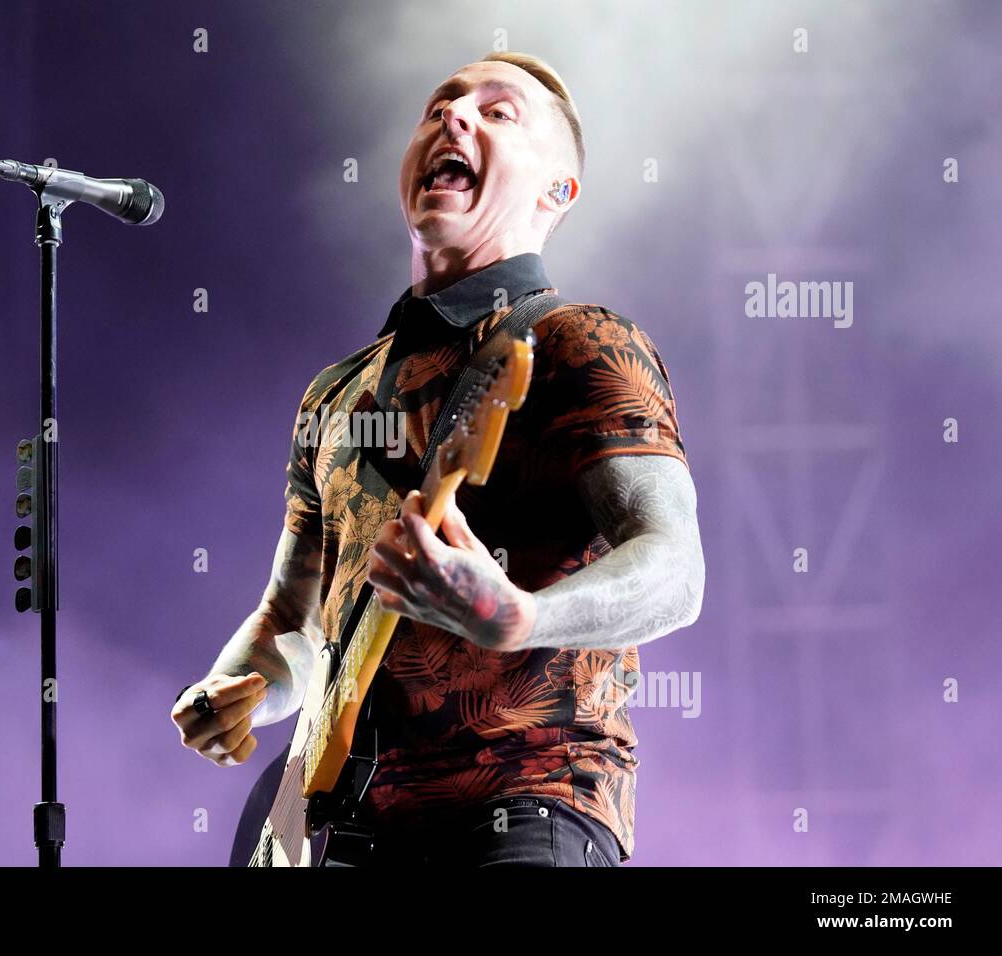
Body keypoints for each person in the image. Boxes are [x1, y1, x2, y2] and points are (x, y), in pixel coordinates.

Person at [171, 51, 705, 866]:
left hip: (523, 797)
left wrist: (523, 616)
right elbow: (291, 622)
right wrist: (237, 689)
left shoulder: (579, 344)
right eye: (441, 105)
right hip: (334, 828)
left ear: (556, 193)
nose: (454, 117)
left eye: (499, 112)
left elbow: (675, 568)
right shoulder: (335, 394)